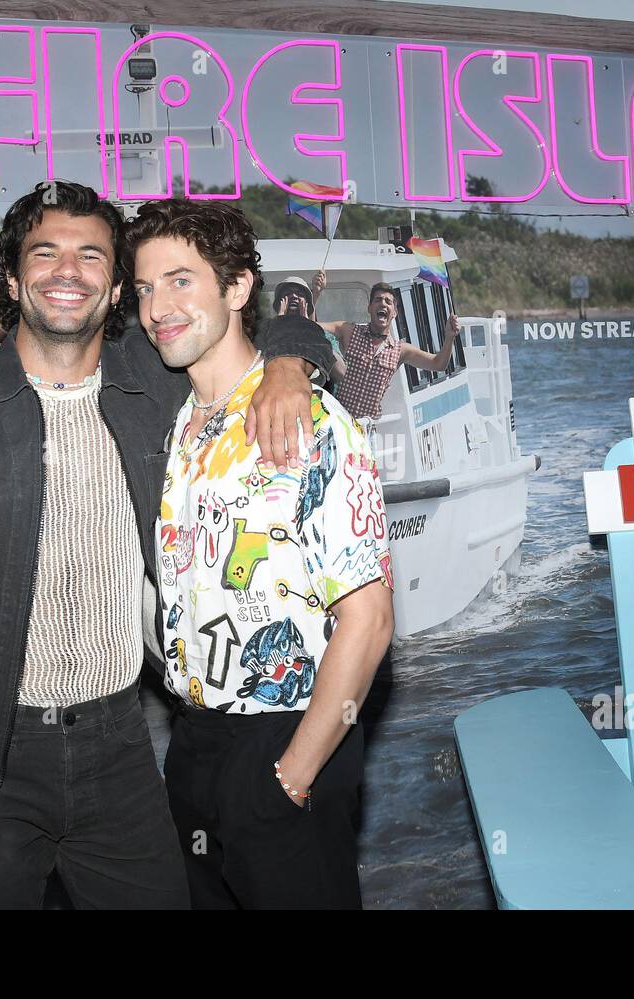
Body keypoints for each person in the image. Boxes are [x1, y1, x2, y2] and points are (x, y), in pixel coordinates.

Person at [0, 180, 333, 909]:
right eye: (44, 253)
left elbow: (264, 332)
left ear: (115, 291)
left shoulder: (154, 385)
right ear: (11, 279)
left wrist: (292, 364)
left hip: (122, 751)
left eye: (91, 256)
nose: (67, 270)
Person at [131, 198, 394, 909]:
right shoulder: (181, 423)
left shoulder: (312, 420)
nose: (159, 306)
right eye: (146, 287)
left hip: (288, 740)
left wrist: (294, 775)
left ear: (239, 287)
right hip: (193, 746)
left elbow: (368, 621)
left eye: (181, 281)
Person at [311, 270, 460, 422]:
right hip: (339, 421)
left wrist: (449, 337)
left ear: (394, 312)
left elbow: (439, 364)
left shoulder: (400, 350)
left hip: (367, 428)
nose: (383, 303)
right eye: (378, 300)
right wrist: (316, 294)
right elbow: (310, 327)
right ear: (369, 308)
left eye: (388, 302)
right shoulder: (348, 330)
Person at [273, 275, 346, 386]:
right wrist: (277, 329)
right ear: (279, 304)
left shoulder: (322, 336)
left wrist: (311, 333)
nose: (293, 296)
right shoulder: (266, 333)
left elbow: (341, 374)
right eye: (287, 293)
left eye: (299, 293)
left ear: (308, 305)